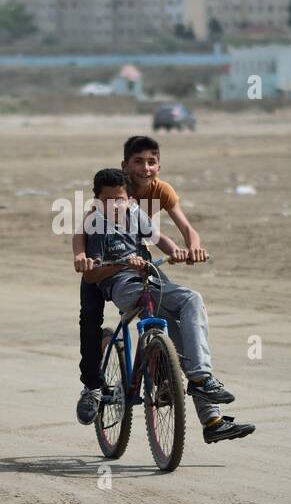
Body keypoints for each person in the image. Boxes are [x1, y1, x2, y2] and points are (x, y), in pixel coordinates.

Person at [81, 168, 255, 445]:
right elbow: (91, 274)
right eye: (108, 200)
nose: (115, 205)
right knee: (173, 322)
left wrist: (179, 252)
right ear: (97, 201)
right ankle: (197, 395)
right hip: (123, 286)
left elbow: (160, 239)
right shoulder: (96, 225)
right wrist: (122, 263)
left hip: (150, 279)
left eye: (121, 199)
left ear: (129, 199)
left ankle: (207, 404)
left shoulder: (136, 214)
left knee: (190, 303)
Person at [71, 136, 205, 424]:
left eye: (151, 162)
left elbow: (171, 234)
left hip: (139, 261)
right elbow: (84, 231)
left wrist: (186, 249)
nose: (145, 168)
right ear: (126, 165)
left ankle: (167, 376)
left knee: (163, 303)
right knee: (89, 319)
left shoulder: (156, 192)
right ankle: (92, 387)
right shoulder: (109, 194)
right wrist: (81, 256)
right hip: (103, 263)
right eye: (138, 162)